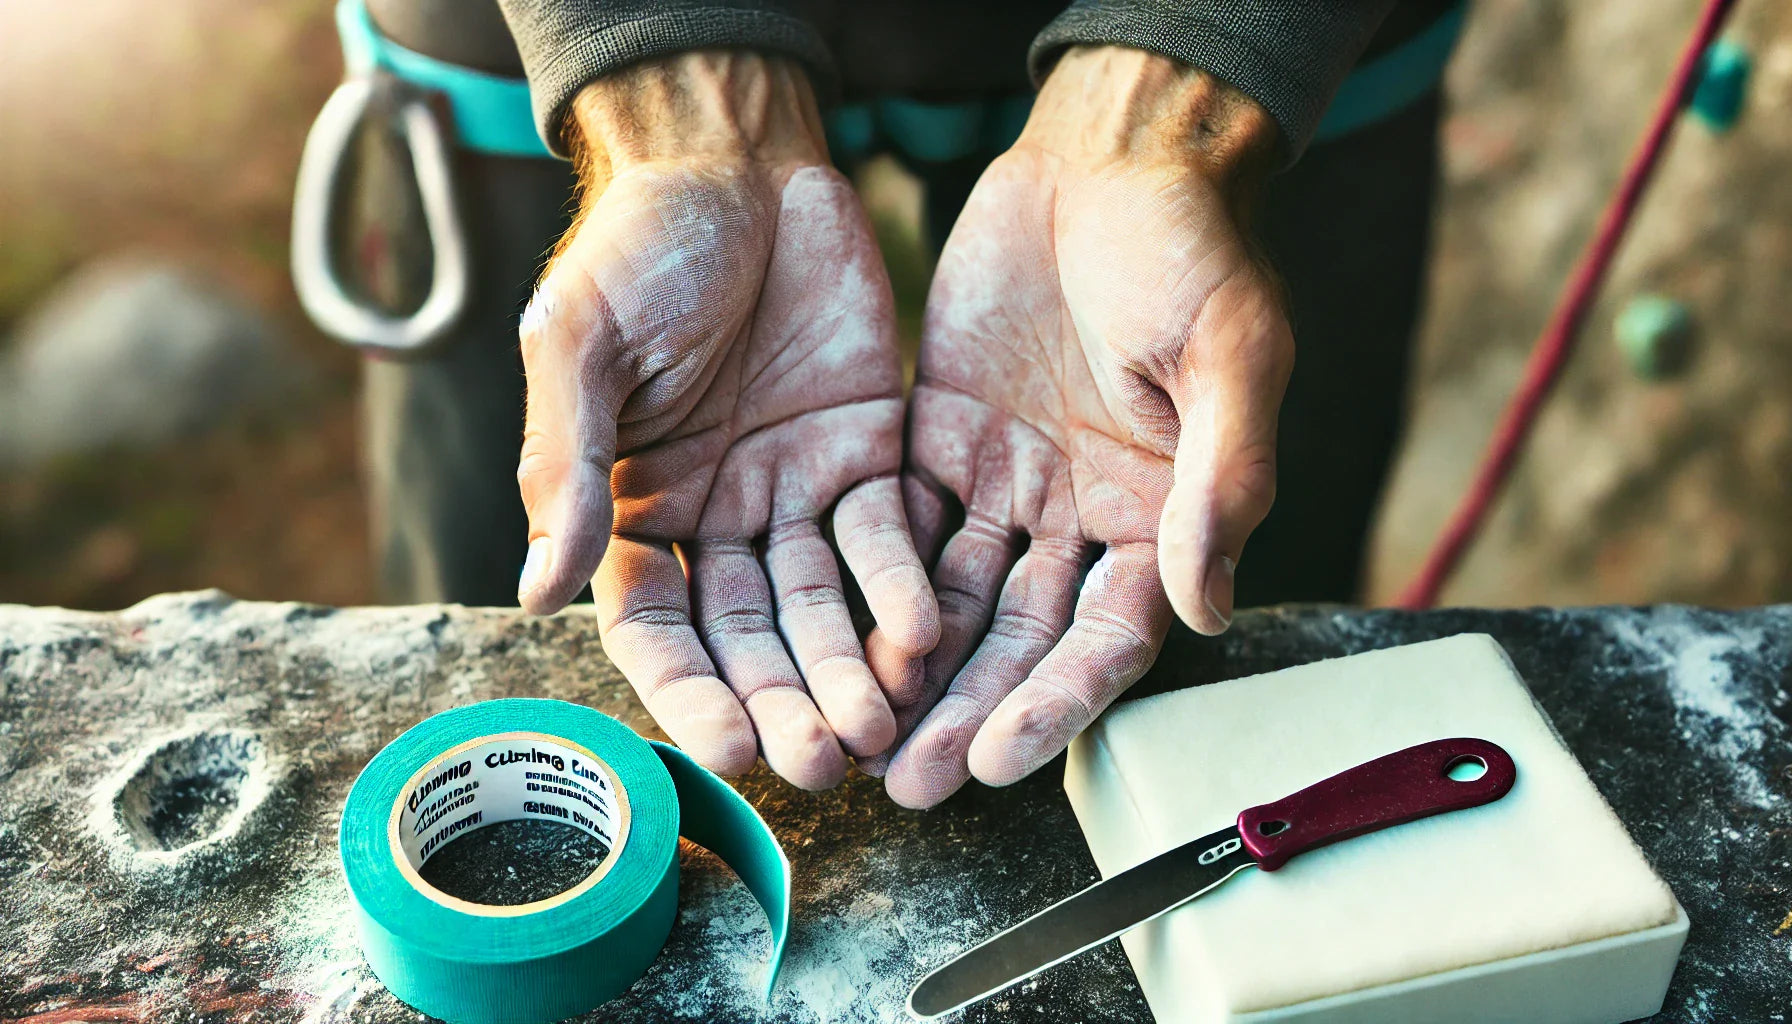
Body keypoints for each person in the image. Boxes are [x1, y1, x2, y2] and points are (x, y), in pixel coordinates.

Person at [318, 0, 1461, 808]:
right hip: (551, 44)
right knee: (509, 664)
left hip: (1272, 55)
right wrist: (649, 67)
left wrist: (1190, 70)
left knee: (1221, 639)